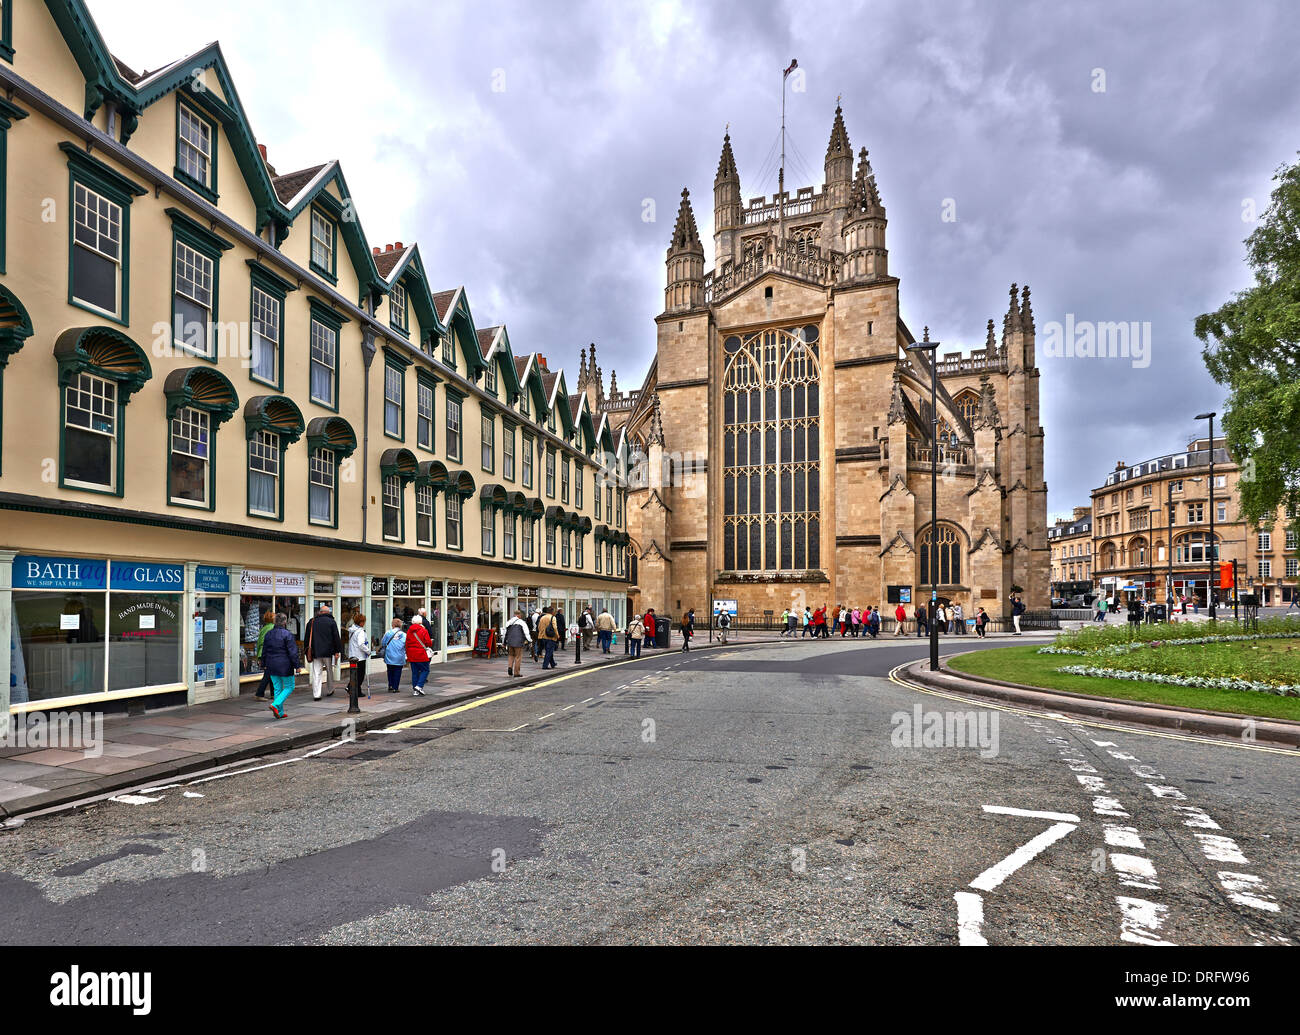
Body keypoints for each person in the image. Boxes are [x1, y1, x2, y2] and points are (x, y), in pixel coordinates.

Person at [263, 613, 300, 720]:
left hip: (271, 665)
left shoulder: (268, 634)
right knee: (289, 686)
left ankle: (279, 712)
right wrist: (297, 665)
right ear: (285, 622)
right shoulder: (287, 634)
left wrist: (264, 664)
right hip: (285, 665)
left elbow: (264, 651)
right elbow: (293, 652)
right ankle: (276, 704)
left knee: (277, 688)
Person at [303, 603, 342, 701]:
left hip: (315, 652)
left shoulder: (312, 622)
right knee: (329, 671)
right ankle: (330, 689)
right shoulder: (331, 622)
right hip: (328, 652)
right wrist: (337, 651)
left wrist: (306, 651)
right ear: (328, 613)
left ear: (320, 612)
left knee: (316, 673)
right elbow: (336, 637)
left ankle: (316, 694)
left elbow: (307, 638)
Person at [344, 613, 369, 715]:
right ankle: (352, 688)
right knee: (360, 675)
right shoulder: (360, 631)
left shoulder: (352, 630)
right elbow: (361, 644)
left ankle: (355, 690)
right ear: (361, 622)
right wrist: (368, 651)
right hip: (360, 656)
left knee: (355, 674)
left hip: (352, 655)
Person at [405, 614, 434, 696]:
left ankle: (415, 691)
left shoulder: (409, 631)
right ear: (420, 622)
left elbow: (406, 644)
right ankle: (419, 686)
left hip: (411, 654)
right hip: (421, 653)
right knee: (425, 670)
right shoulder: (424, 631)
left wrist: (407, 654)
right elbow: (428, 643)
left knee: (415, 672)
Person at [379, 617, 407, 694]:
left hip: (389, 655)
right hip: (399, 656)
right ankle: (396, 687)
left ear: (393, 625)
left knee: (390, 670)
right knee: (398, 671)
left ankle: (390, 685)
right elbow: (406, 645)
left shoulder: (388, 633)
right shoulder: (404, 635)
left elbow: (383, 643)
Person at [504, 609, 532, 677]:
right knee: (518, 657)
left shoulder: (509, 622)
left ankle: (510, 667)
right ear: (519, 615)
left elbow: (505, 632)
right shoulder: (522, 622)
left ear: (514, 614)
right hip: (518, 642)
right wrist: (530, 640)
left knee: (511, 655)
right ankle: (516, 673)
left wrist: (504, 642)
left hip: (510, 642)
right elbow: (526, 633)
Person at [253, 610, 275, 699]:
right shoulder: (273, 628)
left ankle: (273, 693)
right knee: (268, 674)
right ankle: (259, 694)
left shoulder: (264, 628)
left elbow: (259, 643)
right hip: (269, 653)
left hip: (263, 653)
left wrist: (258, 655)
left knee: (271, 674)